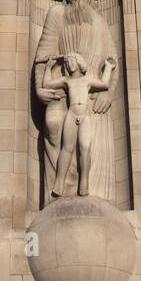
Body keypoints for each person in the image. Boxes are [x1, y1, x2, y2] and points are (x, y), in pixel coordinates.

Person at [44, 52, 116, 197]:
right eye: (67, 62)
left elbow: (104, 84)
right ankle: (59, 184)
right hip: (72, 114)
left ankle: (84, 185)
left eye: (71, 61)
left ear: (79, 62)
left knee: (85, 148)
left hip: (84, 115)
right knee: (67, 148)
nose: (69, 64)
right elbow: (46, 84)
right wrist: (48, 68)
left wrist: (108, 67)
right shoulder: (66, 81)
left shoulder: (87, 80)